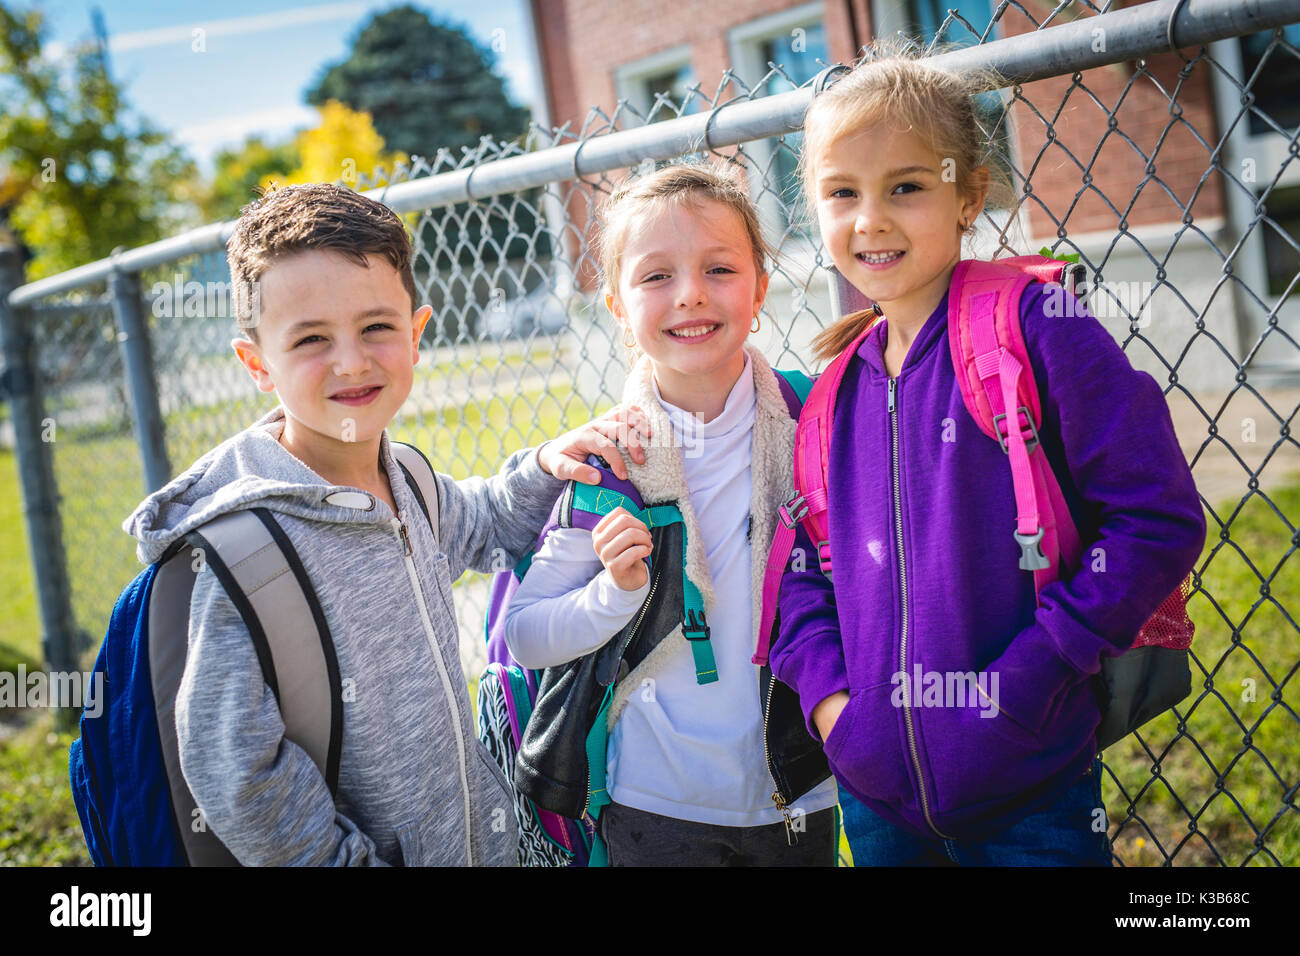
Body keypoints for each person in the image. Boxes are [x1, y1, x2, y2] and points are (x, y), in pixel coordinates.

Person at [125, 182, 649, 866]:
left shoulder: (408, 479)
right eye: (311, 339)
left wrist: (546, 465)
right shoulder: (243, 552)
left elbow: (488, 526)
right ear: (257, 364)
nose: (351, 361)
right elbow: (239, 775)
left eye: (376, 327)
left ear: (417, 333)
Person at [770, 49, 1205, 865]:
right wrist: (836, 711)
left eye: (906, 186)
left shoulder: (1037, 328)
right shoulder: (831, 399)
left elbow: (1156, 516)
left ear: (967, 196)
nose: (870, 219)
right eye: (842, 193)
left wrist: (1034, 677)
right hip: (879, 808)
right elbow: (801, 574)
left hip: (1032, 796)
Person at [503, 164, 840, 866]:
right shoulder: (609, 464)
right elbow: (526, 633)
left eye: (719, 268)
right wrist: (612, 595)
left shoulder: (819, 425)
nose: (690, 295)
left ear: (760, 292)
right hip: (656, 807)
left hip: (804, 791)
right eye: (656, 277)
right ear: (619, 308)